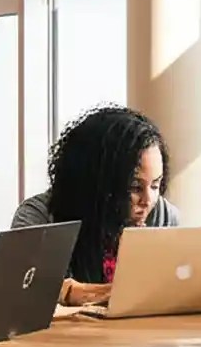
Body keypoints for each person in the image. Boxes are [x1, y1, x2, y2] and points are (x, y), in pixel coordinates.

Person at [11, 105, 179, 306]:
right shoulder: (40, 217)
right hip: (68, 337)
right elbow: (20, 290)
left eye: (155, 185)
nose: (148, 200)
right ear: (97, 182)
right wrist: (72, 292)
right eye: (135, 187)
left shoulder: (162, 216)